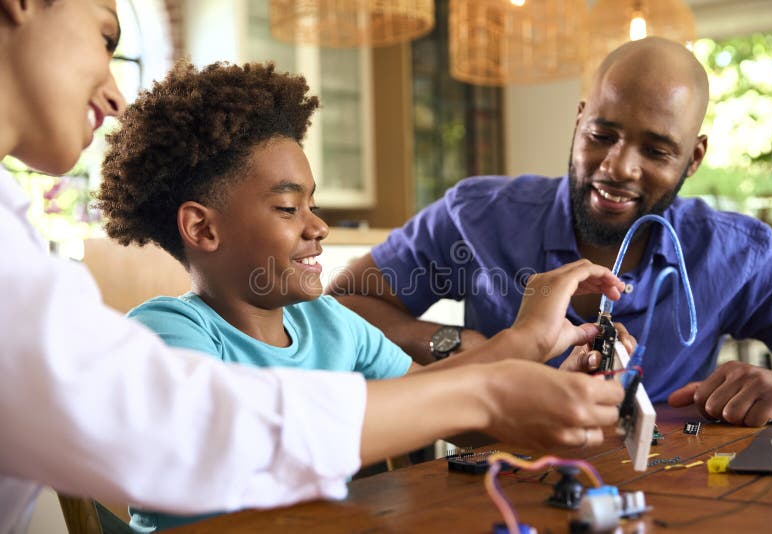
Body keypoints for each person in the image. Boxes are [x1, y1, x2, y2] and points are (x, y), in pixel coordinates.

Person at [0, 2, 625, 532]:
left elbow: (433, 404)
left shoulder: (331, 323)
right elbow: (201, 432)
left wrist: (533, 355)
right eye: (286, 206)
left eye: (312, 203)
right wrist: (499, 374)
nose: (317, 225)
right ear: (202, 229)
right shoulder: (171, 333)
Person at [330, 36, 772, 428]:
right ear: (578, 122)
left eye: (656, 151)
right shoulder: (476, 218)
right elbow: (340, 307)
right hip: (498, 485)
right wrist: (455, 344)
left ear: (694, 158)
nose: (618, 167)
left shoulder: (739, 254)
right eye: (601, 135)